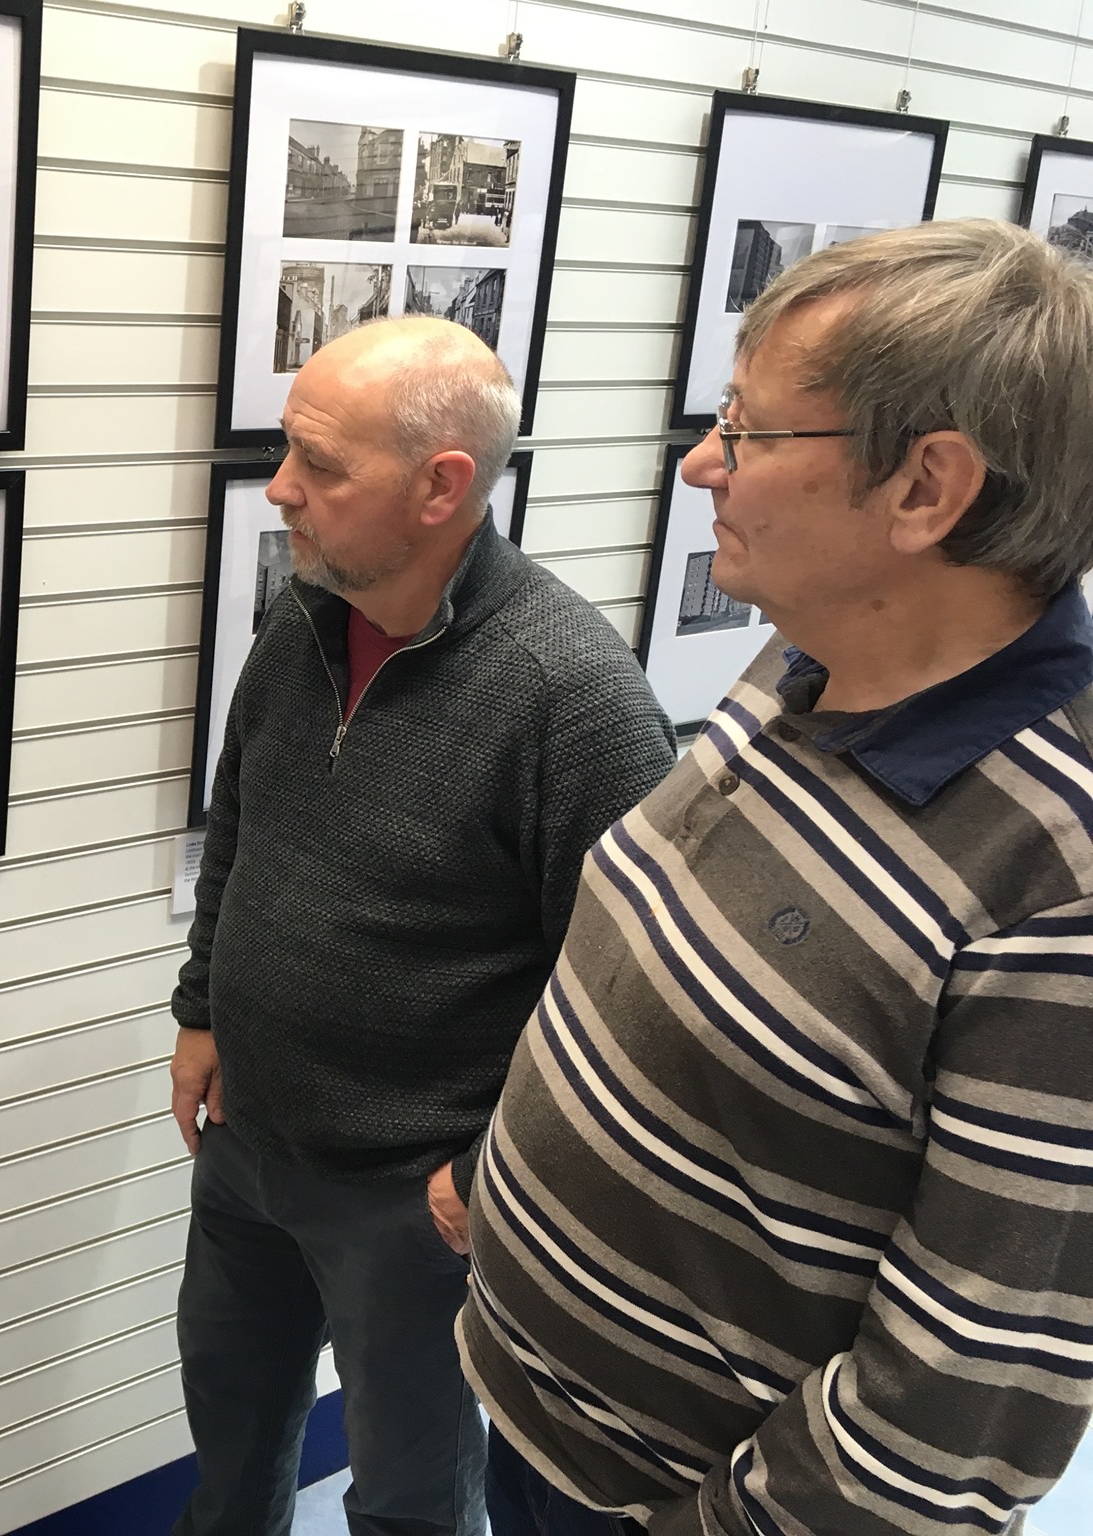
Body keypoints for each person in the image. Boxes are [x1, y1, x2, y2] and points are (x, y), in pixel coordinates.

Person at [459, 218, 1093, 1536]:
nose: (703, 465)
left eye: (746, 434)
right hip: (540, 1424)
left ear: (927, 488)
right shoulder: (809, 663)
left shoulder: (1061, 884)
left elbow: (958, 1414)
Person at [170, 317, 678, 1536]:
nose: (281, 489)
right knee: (230, 1438)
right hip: (248, 1142)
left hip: (418, 1195)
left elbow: (622, 994)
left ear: (440, 486)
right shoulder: (297, 623)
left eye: (320, 467)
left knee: (406, 1502)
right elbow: (235, 827)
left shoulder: (572, 695)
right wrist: (200, 1009)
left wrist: (493, 1162)